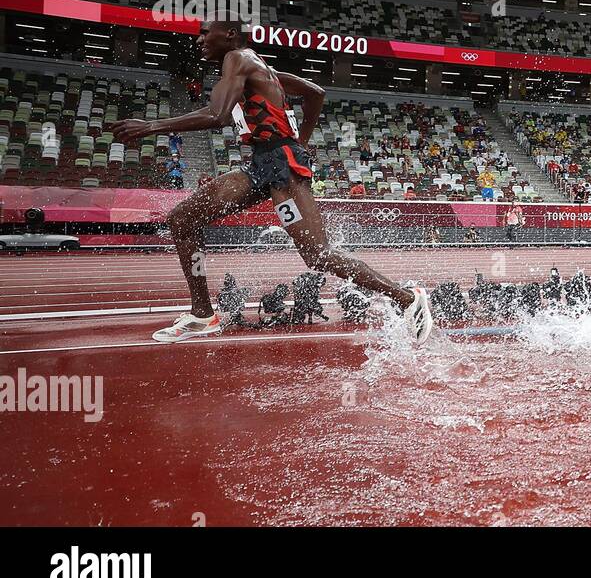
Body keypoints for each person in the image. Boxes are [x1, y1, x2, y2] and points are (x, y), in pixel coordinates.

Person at [108, 21, 432, 344]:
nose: (200, 40)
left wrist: (150, 126)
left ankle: (407, 298)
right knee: (183, 219)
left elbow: (217, 115)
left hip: (281, 167)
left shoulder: (236, 59)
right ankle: (203, 312)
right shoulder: (263, 69)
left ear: (231, 34)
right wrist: (300, 140)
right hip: (262, 164)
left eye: (206, 33)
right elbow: (315, 93)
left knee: (318, 255)